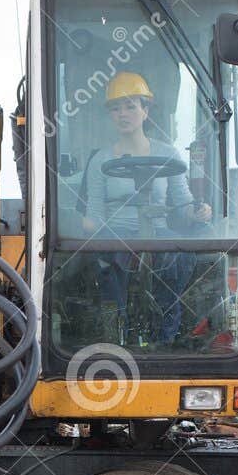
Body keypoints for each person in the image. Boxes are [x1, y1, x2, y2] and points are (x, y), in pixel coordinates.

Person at [78, 72, 212, 344]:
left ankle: (165, 335)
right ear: (110, 115)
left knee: (181, 255)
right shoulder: (100, 160)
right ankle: (115, 331)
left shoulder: (168, 154)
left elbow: (182, 202)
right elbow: (94, 213)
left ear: (145, 110)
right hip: (116, 234)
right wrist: (90, 225)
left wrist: (197, 212)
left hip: (158, 233)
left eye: (130, 106)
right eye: (116, 108)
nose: (123, 114)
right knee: (105, 259)